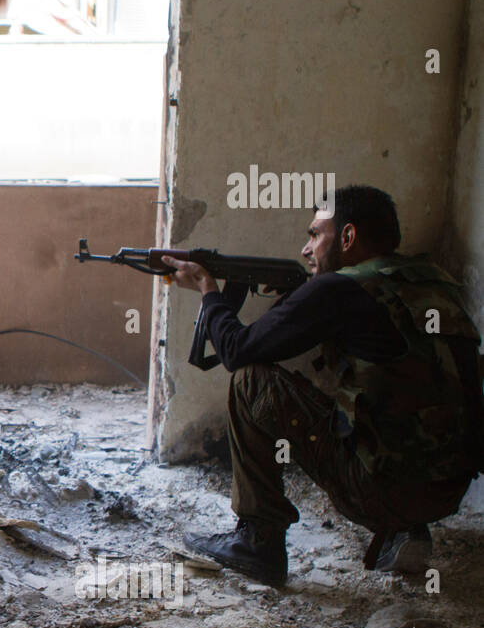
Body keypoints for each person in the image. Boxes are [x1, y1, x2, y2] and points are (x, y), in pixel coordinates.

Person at [167, 185, 483, 586]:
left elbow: (237, 351)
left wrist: (207, 291)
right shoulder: (435, 282)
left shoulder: (338, 288)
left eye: (315, 234)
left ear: (348, 237)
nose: (306, 249)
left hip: (379, 490)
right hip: (450, 491)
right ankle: (407, 528)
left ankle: (257, 540)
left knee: (251, 382)